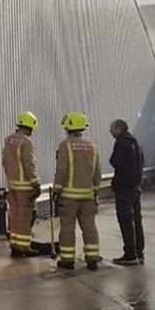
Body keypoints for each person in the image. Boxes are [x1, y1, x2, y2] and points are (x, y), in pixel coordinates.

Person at [53, 111, 102, 271]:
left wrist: (57, 190)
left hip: (68, 197)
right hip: (88, 196)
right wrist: (95, 191)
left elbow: (61, 170)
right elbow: (97, 172)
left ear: (68, 127)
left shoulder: (65, 145)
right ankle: (93, 258)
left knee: (67, 228)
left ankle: (67, 261)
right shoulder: (92, 147)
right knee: (89, 227)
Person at [2, 111, 41, 257]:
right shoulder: (26, 142)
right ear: (30, 127)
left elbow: (4, 162)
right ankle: (23, 248)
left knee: (15, 216)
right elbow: (28, 165)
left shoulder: (9, 140)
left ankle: (15, 245)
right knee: (25, 218)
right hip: (25, 187)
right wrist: (35, 183)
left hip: (12, 185)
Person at [109, 119, 145, 266]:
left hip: (124, 188)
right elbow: (141, 162)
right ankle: (139, 252)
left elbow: (115, 161)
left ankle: (130, 254)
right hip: (136, 188)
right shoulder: (135, 143)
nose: (110, 131)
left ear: (119, 128)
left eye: (112, 128)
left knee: (125, 221)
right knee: (136, 220)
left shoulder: (121, 143)